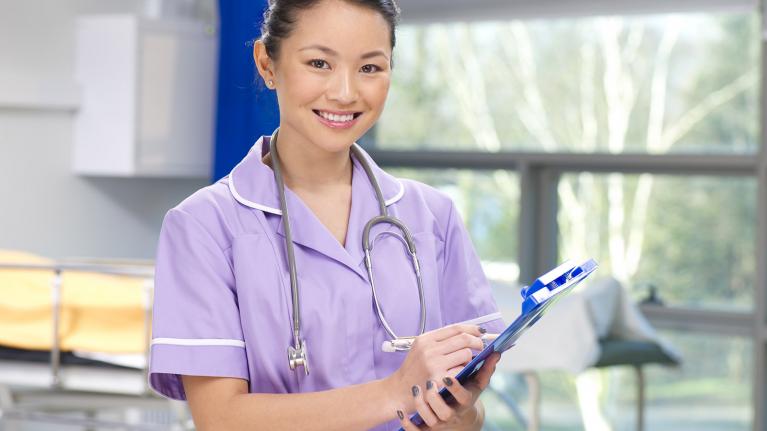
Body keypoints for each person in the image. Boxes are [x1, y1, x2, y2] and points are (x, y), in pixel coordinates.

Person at [148, 0, 506, 429]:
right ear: (267, 63)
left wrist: (453, 410)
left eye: (370, 68)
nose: (345, 92)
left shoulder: (433, 216)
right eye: (319, 63)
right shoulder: (204, 227)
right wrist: (394, 392)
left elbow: (467, 416)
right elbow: (222, 419)